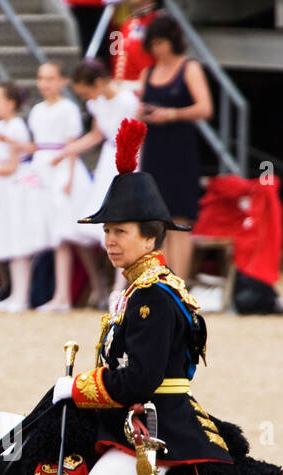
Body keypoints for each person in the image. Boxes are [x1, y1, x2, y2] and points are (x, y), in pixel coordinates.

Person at [50, 117, 231, 475]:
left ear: (152, 236)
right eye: (106, 230)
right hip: (142, 422)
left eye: (121, 231)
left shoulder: (151, 295)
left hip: (153, 429)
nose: (110, 240)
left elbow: (140, 380)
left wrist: (76, 390)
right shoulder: (138, 287)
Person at [28, 60, 104, 311]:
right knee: (56, 233)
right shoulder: (37, 110)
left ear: (62, 82)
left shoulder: (68, 108)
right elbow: (37, 145)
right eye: (41, 78)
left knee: (69, 235)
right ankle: (68, 293)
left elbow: (71, 145)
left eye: (51, 79)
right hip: (43, 168)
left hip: (63, 171)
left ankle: (72, 293)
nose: (45, 84)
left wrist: (70, 177)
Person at [137, 14, 209, 279]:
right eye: (152, 43)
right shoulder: (148, 73)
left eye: (160, 42)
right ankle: (164, 279)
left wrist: (172, 114)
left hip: (180, 148)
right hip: (155, 147)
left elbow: (205, 107)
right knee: (158, 220)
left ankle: (180, 279)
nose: (157, 48)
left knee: (180, 219)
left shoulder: (189, 68)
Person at [63, 59, 140, 298]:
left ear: (97, 83)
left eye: (87, 92)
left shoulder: (128, 101)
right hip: (108, 157)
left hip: (128, 157)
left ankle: (120, 286)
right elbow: (98, 134)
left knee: (124, 219)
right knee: (105, 221)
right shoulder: (97, 104)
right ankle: (106, 285)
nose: (87, 98)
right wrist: (69, 150)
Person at [0, 79, 45, 312]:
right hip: (3, 189)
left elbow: (11, 166)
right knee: (10, 241)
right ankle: (15, 293)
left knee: (19, 243)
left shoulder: (16, 126)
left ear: (10, 103)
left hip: (15, 188)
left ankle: (22, 295)